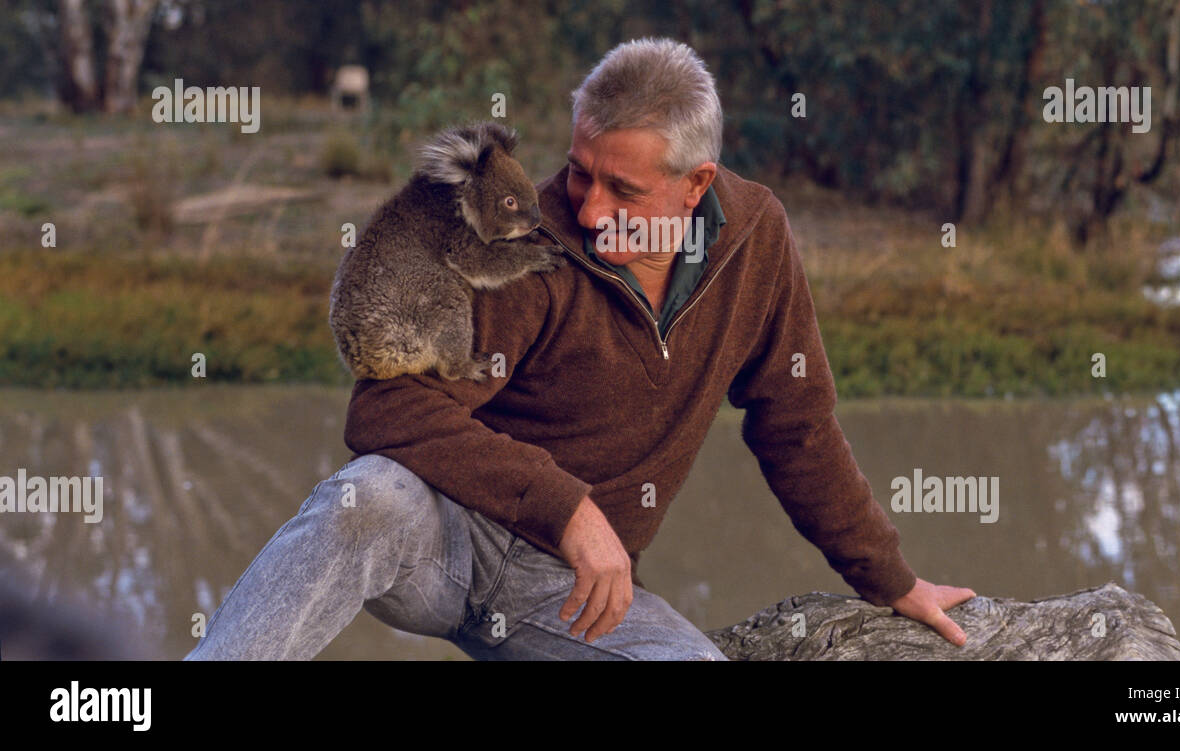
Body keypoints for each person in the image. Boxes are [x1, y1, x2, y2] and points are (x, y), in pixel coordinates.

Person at [185, 36, 974, 661]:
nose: (588, 210)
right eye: (580, 171)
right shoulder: (529, 247)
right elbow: (386, 408)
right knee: (365, 499)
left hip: (569, 595)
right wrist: (567, 505)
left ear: (695, 186)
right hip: (443, 538)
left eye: (623, 190)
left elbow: (795, 422)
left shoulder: (757, 240)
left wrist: (890, 577)